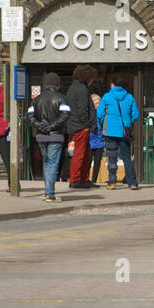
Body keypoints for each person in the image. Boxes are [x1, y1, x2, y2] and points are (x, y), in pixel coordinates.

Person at [27, 72, 71, 203]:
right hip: (55, 136)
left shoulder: (36, 100)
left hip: (41, 136)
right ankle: (50, 194)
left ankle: (47, 191)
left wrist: (41, 126)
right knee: (52, 164)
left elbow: (30, 117)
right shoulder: (61, 98)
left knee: (46, 163)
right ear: (57, 84)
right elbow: (65, 115)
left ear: (45, 84)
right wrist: (52, 126)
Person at [95, 76, 140, 190]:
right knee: (126, 157)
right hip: (124, 132)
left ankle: (112, 182)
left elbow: (99, 114)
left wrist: (104, 124)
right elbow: (135, 114)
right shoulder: (129, 97)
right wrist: (128, 123)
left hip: (110, 131)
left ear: (113, 85)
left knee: (111, 157)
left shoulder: (107, 97)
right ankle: (132, 183)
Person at [64, 64, 98, 188]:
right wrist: (85, 125)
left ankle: (82, 178)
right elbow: (83, 109)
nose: (92, 81)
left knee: (85, 153)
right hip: (81, 126)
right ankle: (76, 179)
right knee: (81, 153)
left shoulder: (72, 87)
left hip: (75, 124)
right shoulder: (82, 89)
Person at [88, 88, 106, 184]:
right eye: (96, 102)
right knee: (88, 161)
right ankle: (86, 179)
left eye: (99, 102)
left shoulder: (101, 113)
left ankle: (94, 180)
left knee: (97, 162)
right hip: (91, 140)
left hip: (99, 140)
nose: (98, 104)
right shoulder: (89, 114)